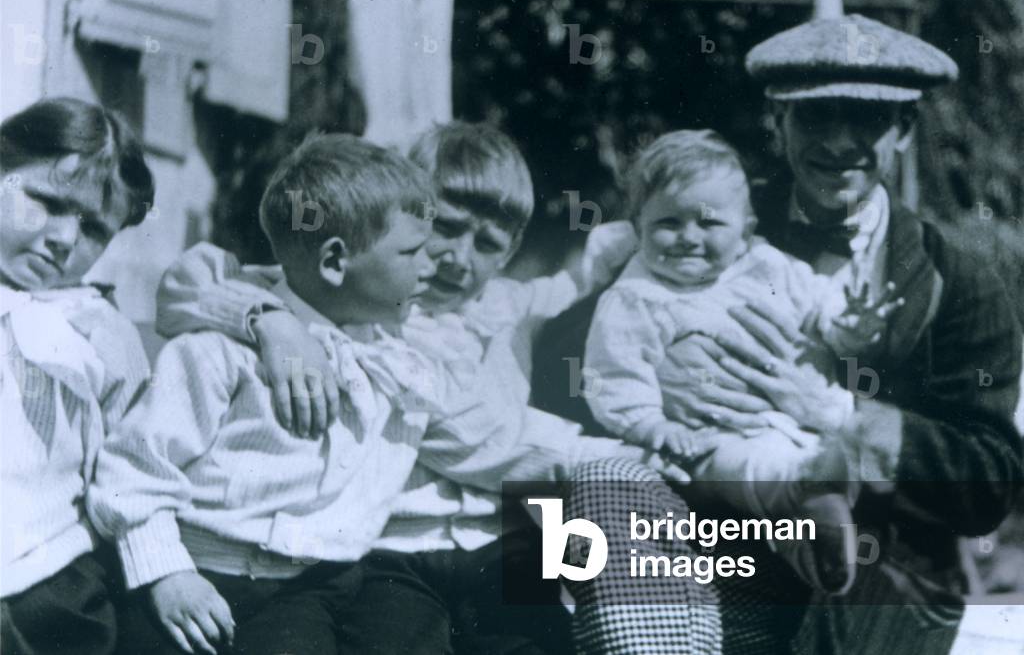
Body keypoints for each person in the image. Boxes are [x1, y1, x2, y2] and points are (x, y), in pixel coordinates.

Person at [533, 12, 1023, 654]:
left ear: (903, 130)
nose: (840, 142)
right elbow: (570, 357)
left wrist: (838, 412)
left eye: (868, 118)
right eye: (817, 117)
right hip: (706, 523)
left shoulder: (954, 275)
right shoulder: (705, 214)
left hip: (878, 558)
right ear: (778, 120)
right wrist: (667, 382)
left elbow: (989, 483)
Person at [153, 121, 719, 654]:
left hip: (502, 536)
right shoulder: (363, 311)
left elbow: (593, 267)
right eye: (444, 228)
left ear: (512, 250)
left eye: (489, 243)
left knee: (553, 631)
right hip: (392, 549)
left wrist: (675, 204)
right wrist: (265, 318)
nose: (457, 258)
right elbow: (193, 279)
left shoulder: (507, 308)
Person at [584, 128, 904, 595]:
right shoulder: (636, 299)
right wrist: (655, 426)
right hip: (710, 440)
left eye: (709, 223)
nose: (688, 238)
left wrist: (845, 326)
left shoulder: (766, 267)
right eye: (667, 224)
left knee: (825, 471)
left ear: (745, 231)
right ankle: (814, 513)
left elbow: (817, 300)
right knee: (753, 468)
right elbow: (613, 377)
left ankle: (820, 548)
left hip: (802, 430)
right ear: (638, 229)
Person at [0, 97, 155, 655]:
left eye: (93, 227)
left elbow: (138, 465)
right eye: (46, 202)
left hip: (45, 587)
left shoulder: (98, 332)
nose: (65, 238)